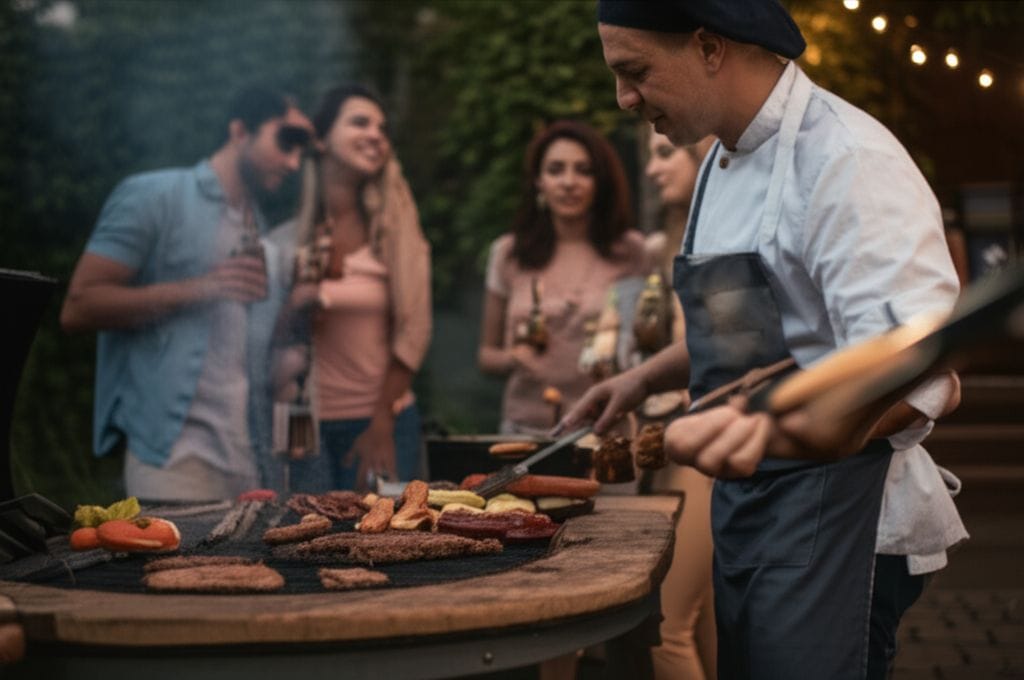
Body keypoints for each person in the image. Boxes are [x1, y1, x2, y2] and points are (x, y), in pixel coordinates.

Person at [561, 2, 968, 677]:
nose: (624, 97)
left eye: (635, 72)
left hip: (841, 515)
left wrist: (776, 433)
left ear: (709, 47)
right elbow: (750, 336)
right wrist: (643, 379)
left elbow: (920, 371)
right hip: (750, 510)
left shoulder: (848, 160)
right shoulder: (722, 158)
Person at [60, 85, 314, 501]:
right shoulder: (155, 194)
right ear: (239, 131)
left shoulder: (261, 230)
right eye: (285, 143)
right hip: (175, 461)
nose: (293, 162)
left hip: (249, 465)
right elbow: (80, 306)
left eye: (301, 152)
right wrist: (203, 288)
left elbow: (248, 357)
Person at [280, 84, 431, 492]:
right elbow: (264, 344)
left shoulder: (397, 235)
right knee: (307, 529)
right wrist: (296, 306)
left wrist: (381, 424)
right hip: (303, 426)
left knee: (381, 530)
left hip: (380, 421)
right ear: (321, 139)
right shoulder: (289, 238)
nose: (376, 135)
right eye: (360, 122)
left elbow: (416, 330)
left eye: (382, 128)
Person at [478, 120, 649, 435]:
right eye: (556, 170)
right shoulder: (509, 253)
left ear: (600, 181)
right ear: (538, 182)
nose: (569, 182)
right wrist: (514, 358)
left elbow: (647, 346)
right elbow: (486, 356)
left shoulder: (631, 251)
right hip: (524, 433)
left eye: (584, 170)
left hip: (604, 433)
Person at [643, 127, 717, 680]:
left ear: (702, 153)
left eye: (665, 153)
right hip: (681, 433)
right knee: (711, 626)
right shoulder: (671, 238)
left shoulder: (722, 236)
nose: (652, 169)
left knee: (665, 629)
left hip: (711, 441)